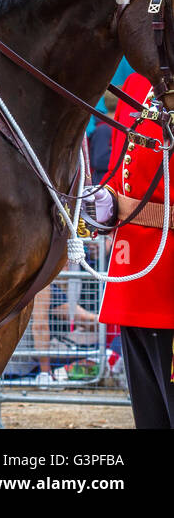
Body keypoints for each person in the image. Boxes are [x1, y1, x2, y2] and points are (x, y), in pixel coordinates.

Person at [97, 72, 173, 427]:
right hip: (133, 278)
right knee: (150, 416)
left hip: (167, 280)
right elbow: (118, 165)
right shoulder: (136, 85)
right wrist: (105, 198)